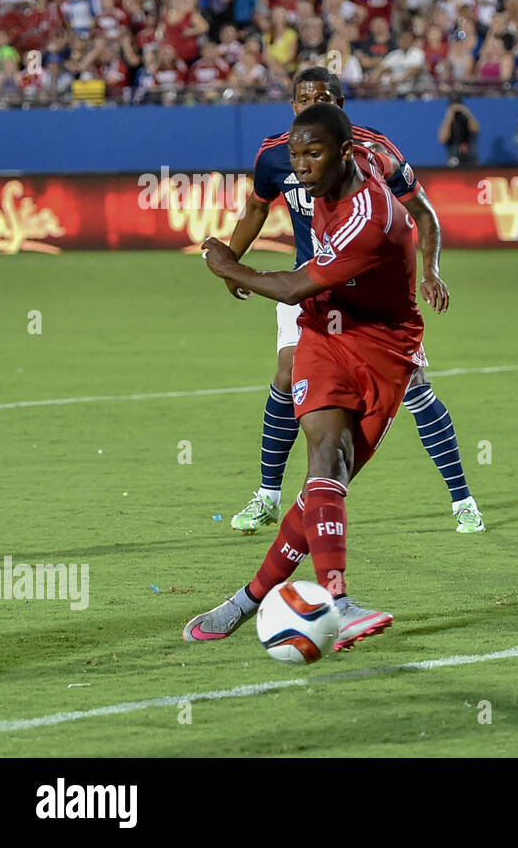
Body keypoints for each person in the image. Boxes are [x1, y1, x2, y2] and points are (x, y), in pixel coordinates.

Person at [185, 104, 423, 648]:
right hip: (322, 336)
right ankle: (338, 603)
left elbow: (294, 287)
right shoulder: (342, 165)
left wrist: (229, 265)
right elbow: (302, 296)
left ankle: (244, 601)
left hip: (385, 349)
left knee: (325, 486)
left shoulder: (370, 216)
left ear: (343, 152)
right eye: (296, 155)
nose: (301, 167)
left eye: (312, 154)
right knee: (324, 458)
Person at [227, 67, 486, 536]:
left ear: (340, 107)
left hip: (370, 290)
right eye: (303, 98)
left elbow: (422, 212)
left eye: (322, 97)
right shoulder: (276, 155)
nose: (311, 104)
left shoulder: (373, 152)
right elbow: (257, 208)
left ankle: (462, 499)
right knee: (287, 373)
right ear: (292, 107)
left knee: (416, 386)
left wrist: (430, 270)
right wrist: (235, 254)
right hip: (309, 284)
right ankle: (267, 496)